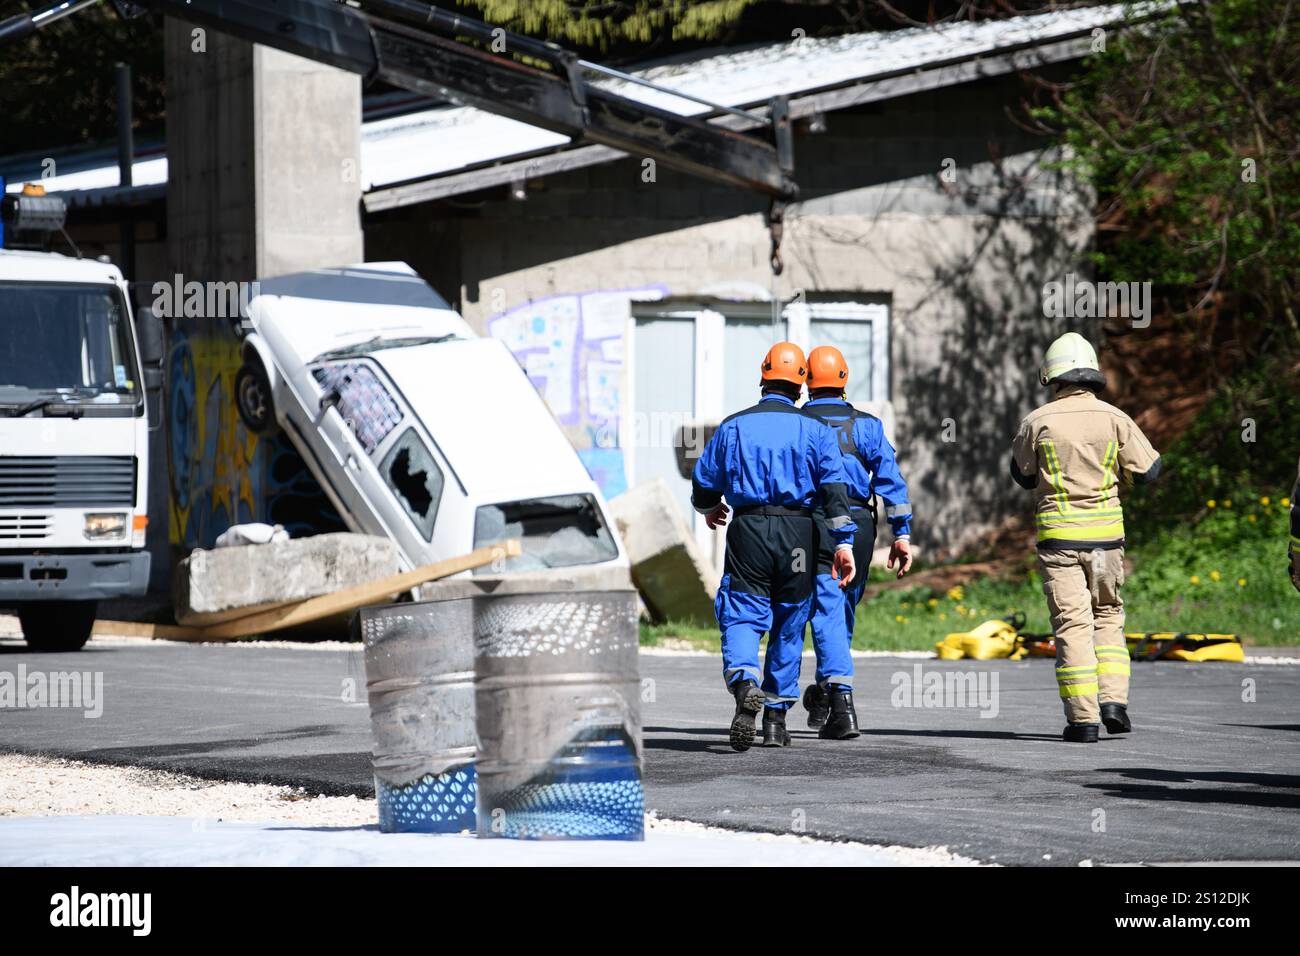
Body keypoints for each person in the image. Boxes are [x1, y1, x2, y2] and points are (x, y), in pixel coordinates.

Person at [691, 342, 858, 752]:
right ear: (801, 386)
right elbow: (835, 491)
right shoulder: (816, 431)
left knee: (743, 613)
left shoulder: (733, 427)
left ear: (762, 377)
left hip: (748, 529)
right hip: (800, 535)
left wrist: (710, 507)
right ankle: (776, 721)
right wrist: (843, 543)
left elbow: (703, 481)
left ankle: (745, 680)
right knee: (789, 620)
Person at [1010, 331, 1161, 743]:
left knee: (1072, 625)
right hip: (1106, 541)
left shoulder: (1037, 421)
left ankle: (1083, 720)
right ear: (1093, 375)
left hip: (1058, 540)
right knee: (1108, 616)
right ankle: (1114, 703)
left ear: (1052, 379)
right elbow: (1150, 471)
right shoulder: (1116, 418)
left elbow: (1022, 476)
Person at [799, 345, 913, 739]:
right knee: (841, 606)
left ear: (806, 382)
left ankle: (840, 699)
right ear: (844, 379)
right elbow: (892, 485)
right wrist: (902, 535)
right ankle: (828, 694)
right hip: (861, 525)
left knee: (827, 608)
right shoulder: (867, 426)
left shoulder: (798, 424)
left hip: (813, 522)